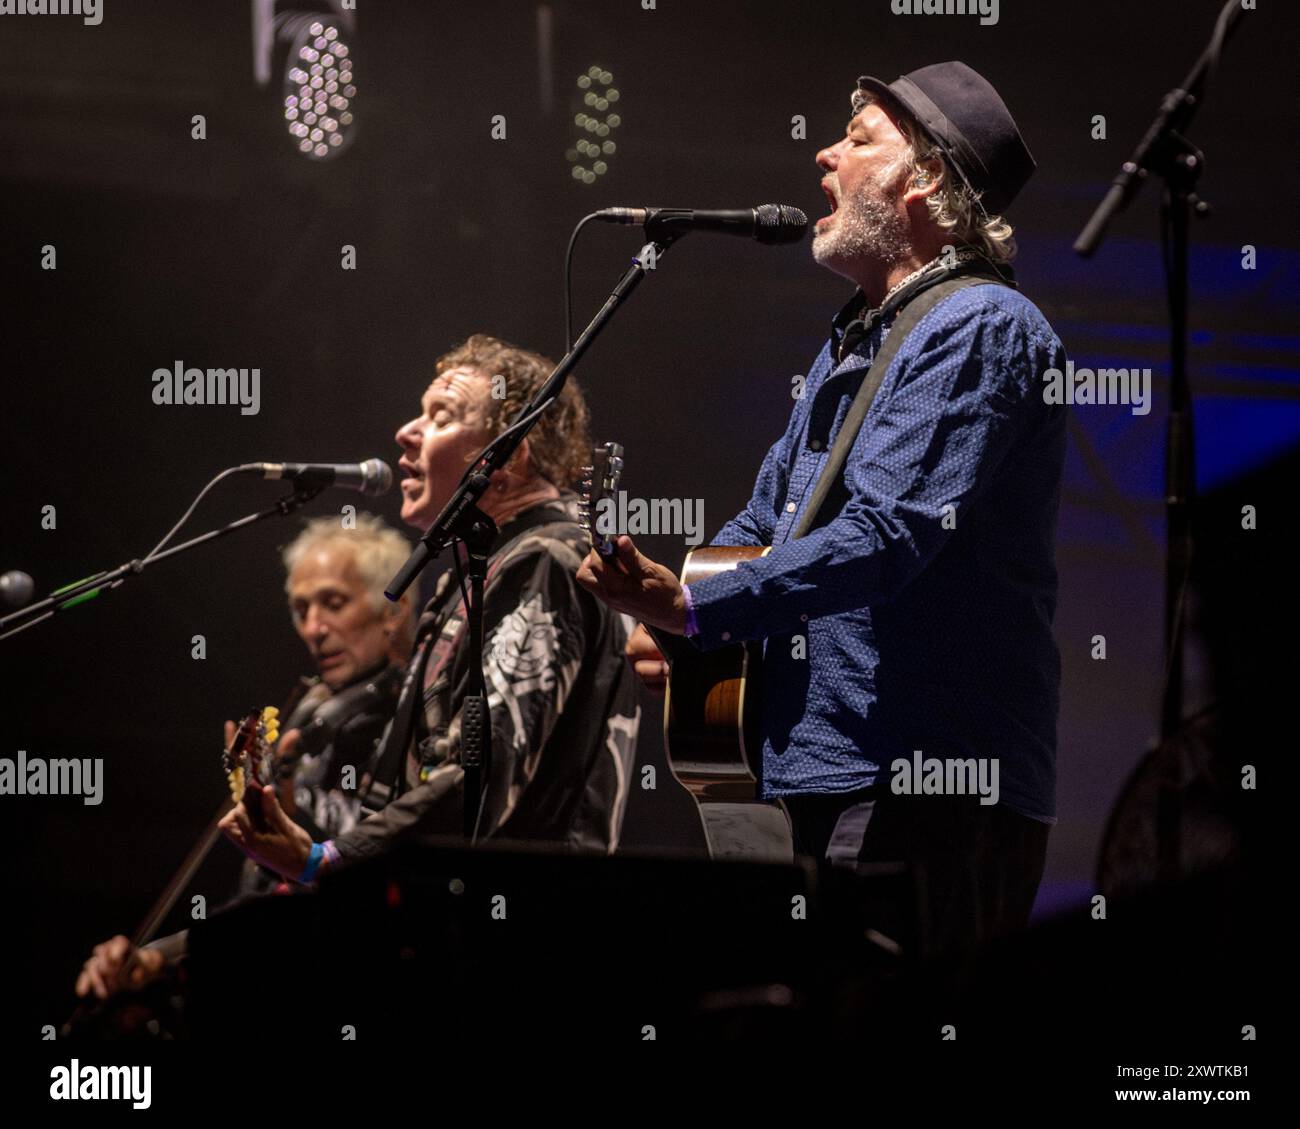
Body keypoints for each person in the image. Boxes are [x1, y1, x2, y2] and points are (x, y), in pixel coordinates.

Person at [578, 62, 1067, 957]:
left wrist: (692, 606)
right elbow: (765, 521)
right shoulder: (858, 336)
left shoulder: (983, 324)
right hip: (821, 774)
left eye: (858, 138)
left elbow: (887, 537)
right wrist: (688, 627)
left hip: (927, 786)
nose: (822, 153)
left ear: (922, 179)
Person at [216, 334, 641, 884]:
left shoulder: (548, 560)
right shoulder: (482, 570)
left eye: (441, 416)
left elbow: (484, 766)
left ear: (508, 457)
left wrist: (332, 862)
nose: (406, 433)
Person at [74, 513, 415, 1005]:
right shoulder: (311, 708)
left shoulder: (412, 710)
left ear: (394, 608)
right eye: (301, 609)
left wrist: (296, 810)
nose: (314, 628)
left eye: (333, 603)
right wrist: (159, 958)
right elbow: (265, 901)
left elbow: (381, 844)